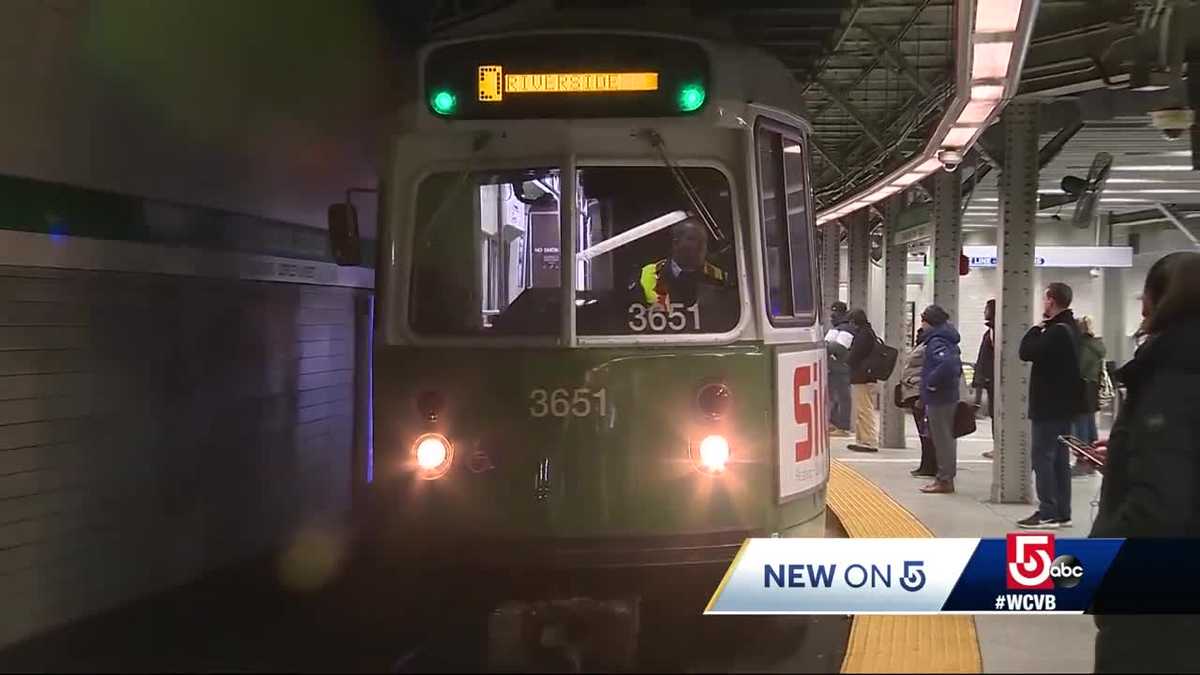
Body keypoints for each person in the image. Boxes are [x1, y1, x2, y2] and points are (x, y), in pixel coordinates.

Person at [1088, 251, 1200, 673]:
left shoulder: (1172, 374)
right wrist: (1128, 453)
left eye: (1145, 298)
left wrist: (1098, 559)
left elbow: (1159, 507)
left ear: (1161, 300)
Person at [1017, 282, 1086, 529]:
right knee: (1059, 459)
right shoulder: (1072, 328)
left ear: (1051, 301)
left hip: (1048, 406)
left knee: (1042, 457)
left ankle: (1047, 511)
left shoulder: (1055, 331)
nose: (1043, 303)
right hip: (1064, 406)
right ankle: (1062, 512)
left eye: (1045, 298)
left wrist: (1037, 327)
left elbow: (1026, 351)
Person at [631, 218, 729, 310]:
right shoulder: (647, 275)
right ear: (676, 243)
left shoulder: (720, 278)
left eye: (703, 240)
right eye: (692, 239)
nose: (700, 245)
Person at [917, 305, 962, 494]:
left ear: (930, 322)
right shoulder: (946, 338)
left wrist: (931, 383)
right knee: (945, 438)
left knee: (942, 439)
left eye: (923, 320)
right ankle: (944, 477)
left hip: (940, 397)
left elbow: (948, 364)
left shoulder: (937, 341)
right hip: (946, 395)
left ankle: (944, 479)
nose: (921, 325)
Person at [898, 326, 936, 477]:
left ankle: (930, 466)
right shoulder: (924, 345)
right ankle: (926, 464)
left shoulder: (930, 346)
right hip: (915, 390)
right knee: (923, 433)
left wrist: (921, 391)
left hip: (920, 391)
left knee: (927, 433)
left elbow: (929, 370)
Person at [1071, 315, 1105, 477]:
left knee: (1080, 426)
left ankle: (1083, 462)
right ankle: (1092, 461)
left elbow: (1079, 369)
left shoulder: (1083, 347)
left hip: (1080, 389)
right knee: (1090, 425)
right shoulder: (1096, 345)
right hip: (1091, 388)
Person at [845, 309, 879, 453]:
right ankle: (862, 440)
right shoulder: (867, 333)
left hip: (863, 377)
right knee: (862, 409)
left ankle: (869, 441)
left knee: (865, 410)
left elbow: (854, 356)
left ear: (854, 321)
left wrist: (847, 357)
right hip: (865, 377)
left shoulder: (864, 335)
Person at [825, 301, 855, 437]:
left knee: (842, 398)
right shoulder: (837, 328)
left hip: (842, 369)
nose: (832, 317)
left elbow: (839, 348)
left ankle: (842, 427)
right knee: (834, 397)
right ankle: (834, 423)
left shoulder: (846, 329)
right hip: (834, 368)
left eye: (834, 313)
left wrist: (827, 345)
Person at [976, 300, 997, 461]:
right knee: (994, 415)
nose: (984, 312)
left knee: (997, 415)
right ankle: (997, 446)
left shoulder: (995, 332)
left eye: (986, 309)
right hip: (990, 380)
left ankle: (999, 447)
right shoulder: (990, 331)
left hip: (994, 380)